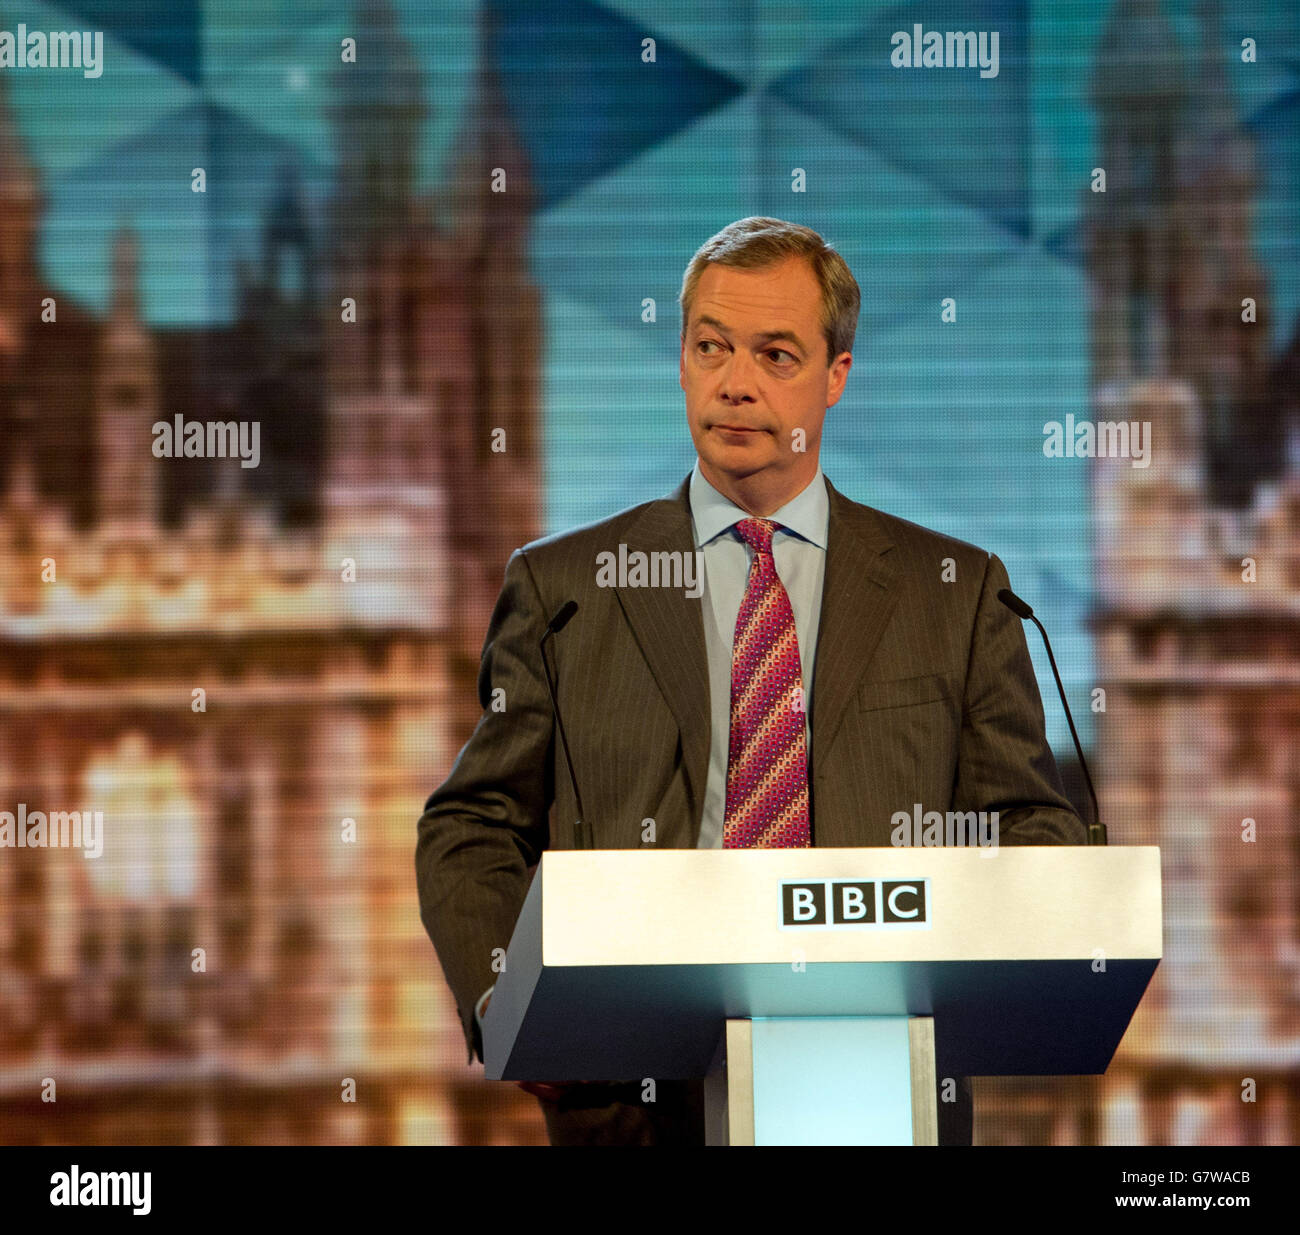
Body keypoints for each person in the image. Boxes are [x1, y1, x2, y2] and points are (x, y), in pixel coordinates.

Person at [415, 216, 1086, 1145]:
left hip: (880, 1089)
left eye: (775, 354)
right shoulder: (563, 588)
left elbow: (1031, 825)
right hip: (631, 1104)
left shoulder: (957, 593)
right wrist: (504, 998)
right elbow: (472, 823)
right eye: (710, 347)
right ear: (683, 362)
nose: (736, 382)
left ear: (835, 377)